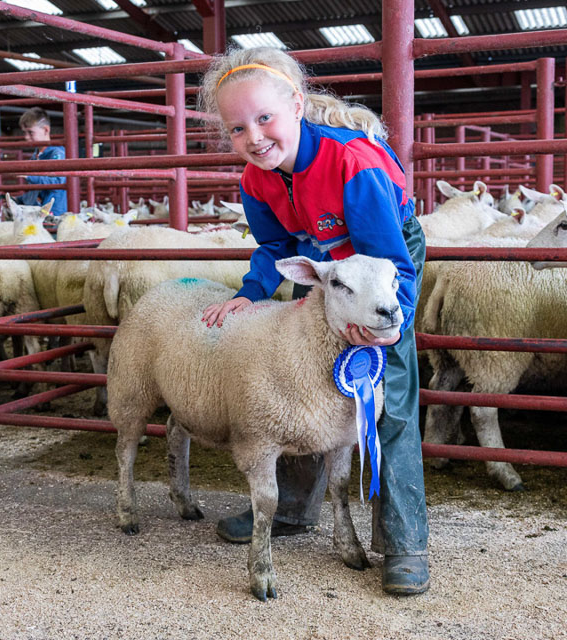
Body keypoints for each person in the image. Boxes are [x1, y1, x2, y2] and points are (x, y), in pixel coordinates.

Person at [198, 48, 429, 596]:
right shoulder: (256, 182)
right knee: (303, 379)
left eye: (264, 118)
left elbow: (388, 262)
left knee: (385, 393)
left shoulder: (354, 164)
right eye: (237, 128)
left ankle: (403, 543)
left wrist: (393, 324)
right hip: (325, 265)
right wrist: (249, 294)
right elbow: (275, 246)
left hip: (382, 267)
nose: (253, 137)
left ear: (296, 104)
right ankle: (294, 510)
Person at [14, 107, 67, 215]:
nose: (26, 137)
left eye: (30, 132)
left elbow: (57, 181)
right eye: (24, 133)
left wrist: (30, 176)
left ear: (46, 130)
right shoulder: (36, 155)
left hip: (53, 212)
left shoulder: (56, 153)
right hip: (40, 211)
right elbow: (37, 189)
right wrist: (19, 200)